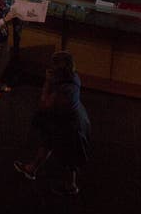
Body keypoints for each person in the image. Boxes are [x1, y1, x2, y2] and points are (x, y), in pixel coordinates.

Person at [14, 51, 91, 195]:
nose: (50, 68)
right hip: (68, 119)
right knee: (49, 141)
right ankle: (32, 168)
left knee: (69, 156)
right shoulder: (71, 77)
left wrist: (47, 82)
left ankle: (71, 186)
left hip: (71, 125)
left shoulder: (66, 89)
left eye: (54, 65)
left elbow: (45, 104)